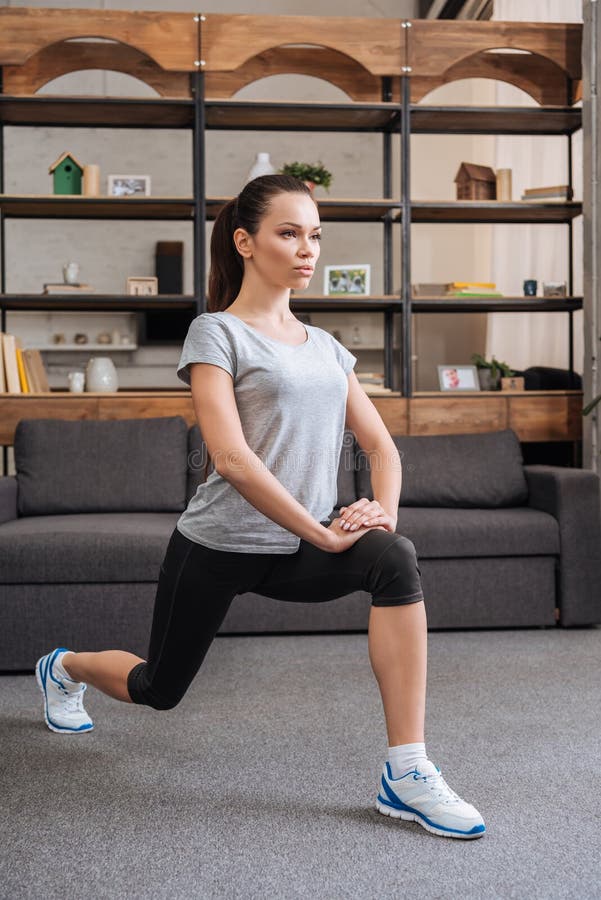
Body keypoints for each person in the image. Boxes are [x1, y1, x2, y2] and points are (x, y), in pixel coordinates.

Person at [35, 174, 485, 840]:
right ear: (244, 242)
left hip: (298, 549)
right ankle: (63, 667)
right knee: (160, 688)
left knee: (394, 558)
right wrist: (323, 533)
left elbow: (383, 452)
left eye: (315, 236)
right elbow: (233, 459)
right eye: (288, 232)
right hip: (216, 546)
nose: (307, 249)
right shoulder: (215, 335)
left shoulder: (329, 350)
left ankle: (407, 769)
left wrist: (378, 515)